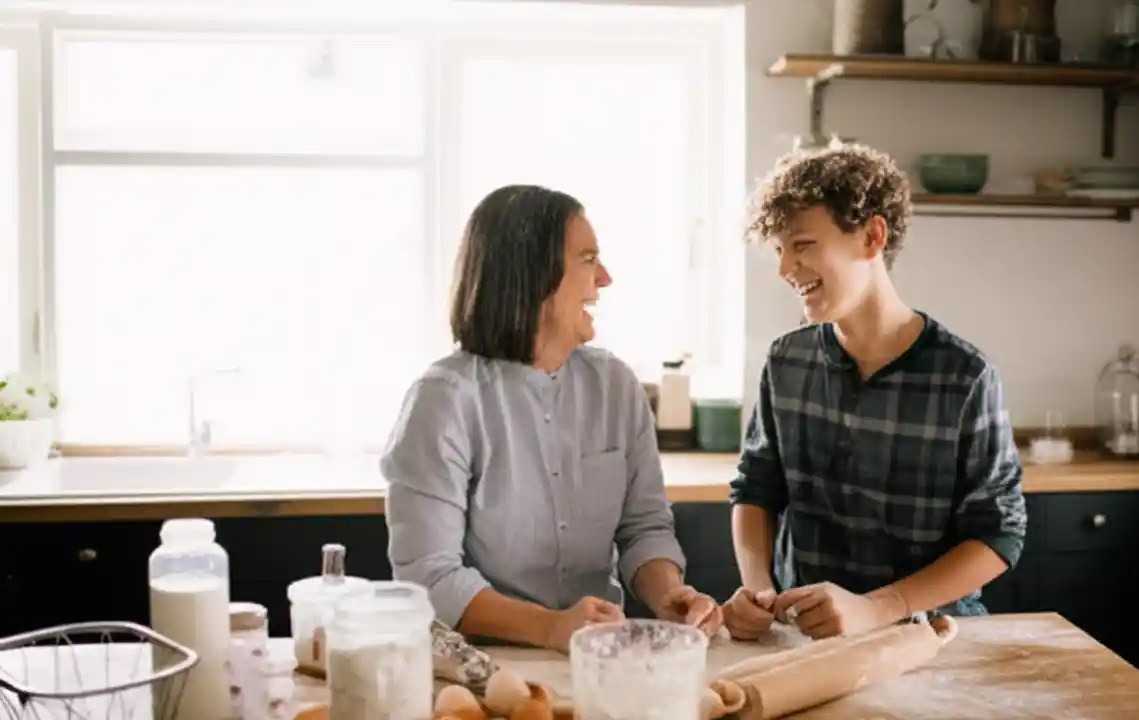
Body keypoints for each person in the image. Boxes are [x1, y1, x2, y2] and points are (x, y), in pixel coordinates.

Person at [382, 184, 722, 651]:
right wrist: (550, 628)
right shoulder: (443, 401)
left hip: (599, 657)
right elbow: (429, 577)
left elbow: (643, 528)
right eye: (587, 259)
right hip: (481, 665)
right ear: (533, 276)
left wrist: (668, 594)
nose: (604, 278)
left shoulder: (616, 386)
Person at [722, 144, 1027, 642]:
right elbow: (756, 488)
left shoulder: (965, 377)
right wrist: (758, 590)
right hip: (806, 639)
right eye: (779, 250)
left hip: (929, 638)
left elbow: (999, 534)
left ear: (871, 237)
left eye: (802, 244)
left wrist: (878, 608)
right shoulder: (786, 362)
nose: (784, 269)